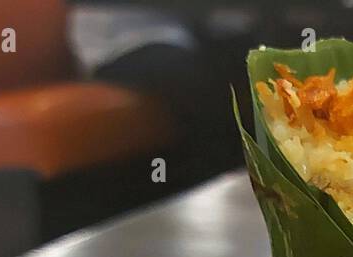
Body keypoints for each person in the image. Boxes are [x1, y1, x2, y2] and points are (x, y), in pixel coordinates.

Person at [70, 5, 239, 183]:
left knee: (250, 55)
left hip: (185, 34)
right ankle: (219, 179)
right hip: (122, 43)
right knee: (192, 80)